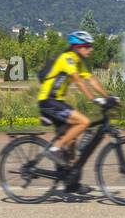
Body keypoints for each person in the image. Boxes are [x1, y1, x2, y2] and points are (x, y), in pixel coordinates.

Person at [37, 31, 111, 192]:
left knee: (71, 142)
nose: (90, 49)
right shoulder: (68, 58)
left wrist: (108, 97)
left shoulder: (79, 62)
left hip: (57, 102)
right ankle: (54, 148)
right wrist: (94, 99)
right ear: (78, 47)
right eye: (87, 46)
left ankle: (71, 183)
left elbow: (91, 80)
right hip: (48, 101)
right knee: (83, 122)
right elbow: (78, 80)